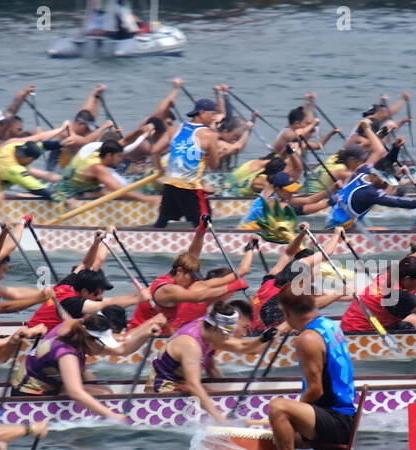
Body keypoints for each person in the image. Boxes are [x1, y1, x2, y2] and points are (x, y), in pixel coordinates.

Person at [258, 287, 358, 450]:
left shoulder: (308, 339)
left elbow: (315, 391)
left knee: (278, 408)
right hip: (344, 417)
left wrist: (293, 413)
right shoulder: (329, 325)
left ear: (287, 312)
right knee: (274, 435)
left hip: (336, 421)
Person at [11, 312, 163, 422]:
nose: (103, 349)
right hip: (29, 397)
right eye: (102, 344)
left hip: (47, 384)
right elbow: (75, 392)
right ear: (90, 339)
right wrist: (114, 416)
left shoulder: (78, 337)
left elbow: (122, 350)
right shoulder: (66, 354)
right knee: (104, 394)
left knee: (98, 386)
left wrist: (146, 334)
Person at [146, 301, 274, 422]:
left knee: (217, 392)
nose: (228, 339)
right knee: (209, 395)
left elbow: (242, 347)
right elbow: (194, 386)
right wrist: (221, 421)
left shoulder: (208, 327)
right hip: (162, 391)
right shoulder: (191, 345)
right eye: (225, 334)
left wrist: (263, 338)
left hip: (182, 384)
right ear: (214, 329)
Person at [128, 223, 249, 335]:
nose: (193, 282)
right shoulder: (169, 289)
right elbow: (197, 297)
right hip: (142, 339)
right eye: (191, 277)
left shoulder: (172, 278)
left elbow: (192, 255)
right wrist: (232, 287)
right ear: (179, 271)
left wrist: (201, 231)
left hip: (162, 335)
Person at [152, 98, 223, 228]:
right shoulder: (210, 135)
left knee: (162, 223)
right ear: (201, 113)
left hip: (170, 185)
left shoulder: (174, 129)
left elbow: (155, 151)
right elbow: (214, 165)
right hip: (191, 188)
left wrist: (160, 170)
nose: (214, 118)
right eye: (212, 114)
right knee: (205, 225)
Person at [238, 171, 331, 229]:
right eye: (289, 190)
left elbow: (309, 200)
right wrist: (328, 203)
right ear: (278, 189)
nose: (292, 193)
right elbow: (302, 210)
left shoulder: (279, 195)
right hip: (247, 231)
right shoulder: (273, 203)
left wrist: (331, 190)